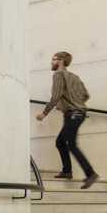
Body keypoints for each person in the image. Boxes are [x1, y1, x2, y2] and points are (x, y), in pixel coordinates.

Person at [35, 51, 99, 189]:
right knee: (61, 142)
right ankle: (67, 172)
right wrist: (69, 104)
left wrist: (44, 113)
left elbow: (56, 95)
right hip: (78, 114)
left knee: (71, 144)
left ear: (61, 61)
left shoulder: (59, 74)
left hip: (73, 115)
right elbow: (85, 95)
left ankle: (90, 173)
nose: (51, 62)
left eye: (54, 59)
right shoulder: (74, 77)